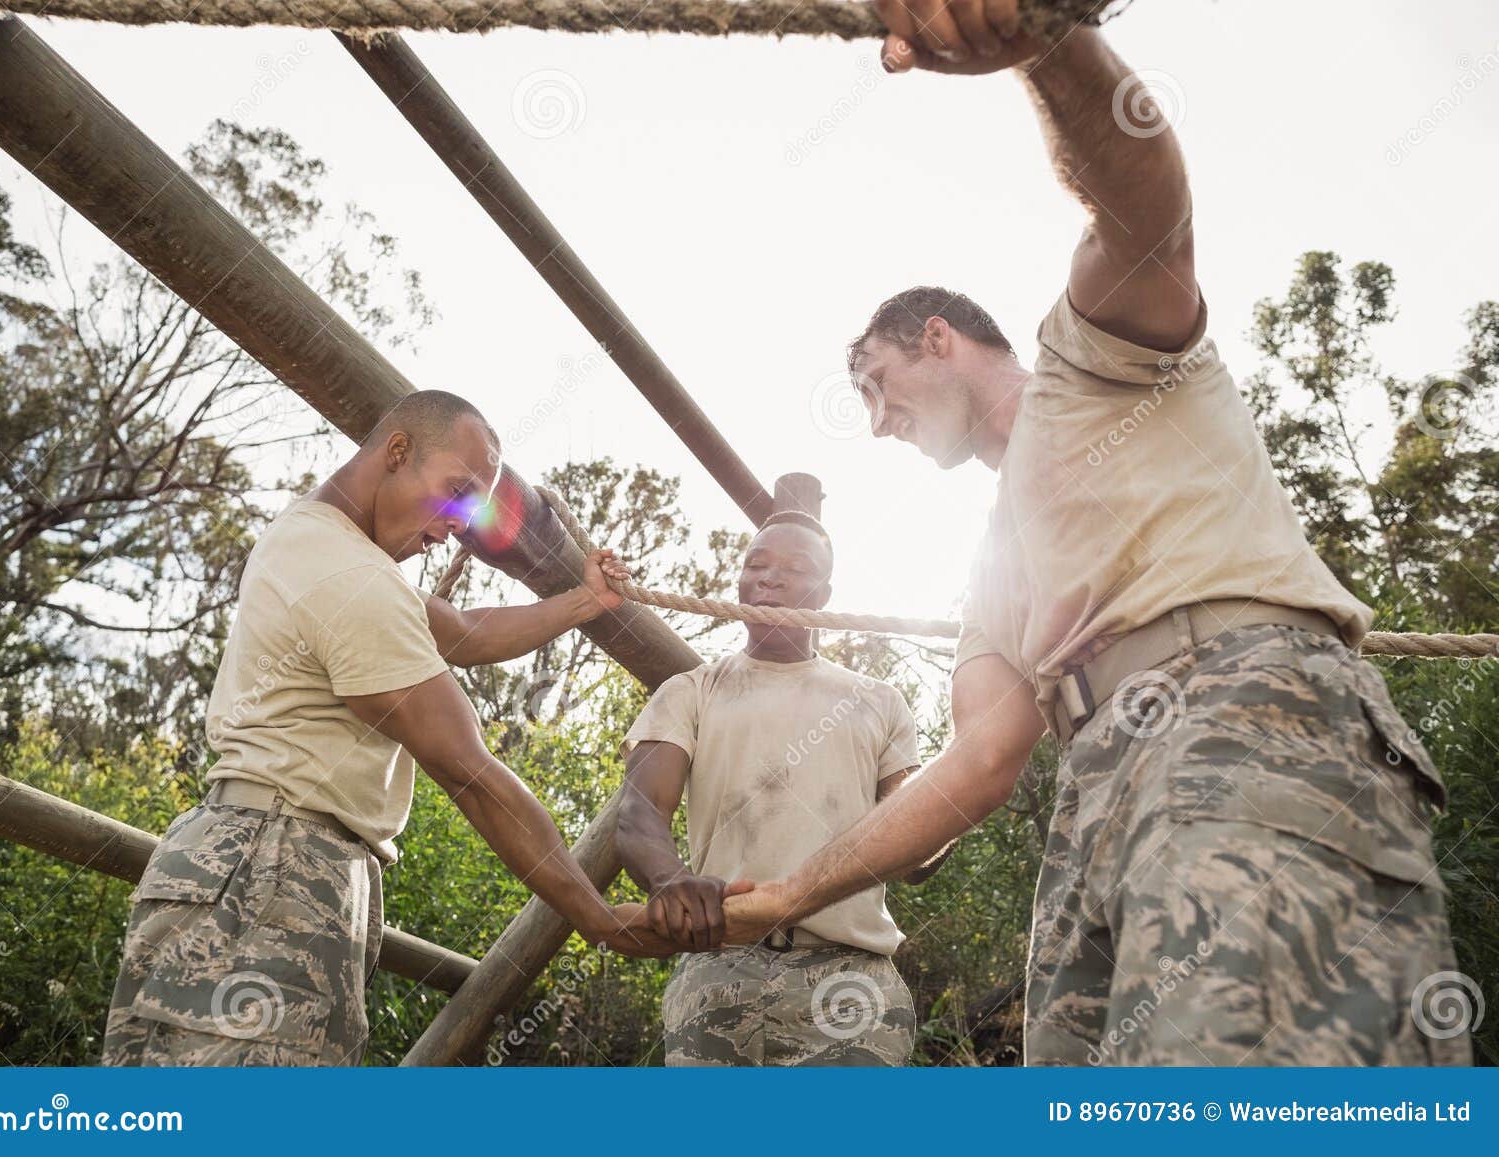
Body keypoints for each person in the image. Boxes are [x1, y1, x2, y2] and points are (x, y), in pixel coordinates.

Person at [724, 4, 1469, 1066]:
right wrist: (794, 889)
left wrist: (1046, 43)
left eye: (877, 386)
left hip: (1243, 712)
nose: (877, 423)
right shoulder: (994, 565)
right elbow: (975, 764)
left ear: (937, 338)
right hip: (1093, 797)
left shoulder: (1092, 358)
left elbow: (1145, 208)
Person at [103, 390, 679, 1066]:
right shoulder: (348, 574)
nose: (454, 527)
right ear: (396, 452)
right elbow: (473, 773)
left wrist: (586, 600)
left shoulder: (317, 539)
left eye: (471, 511)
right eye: (454, 492)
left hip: (247, 863)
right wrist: (600, 917)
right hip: (273, 873)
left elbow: (464, 630)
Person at [617, 511, 948, 1066]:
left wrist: (952, 807)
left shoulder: (877, 700)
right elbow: (639, 813)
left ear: (825, 592)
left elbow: (916, 844)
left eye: (794, 568)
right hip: (721, 968)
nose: (769, 578)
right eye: (757, 564)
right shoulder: (691, 692)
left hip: (852, 976)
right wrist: (669, 879)